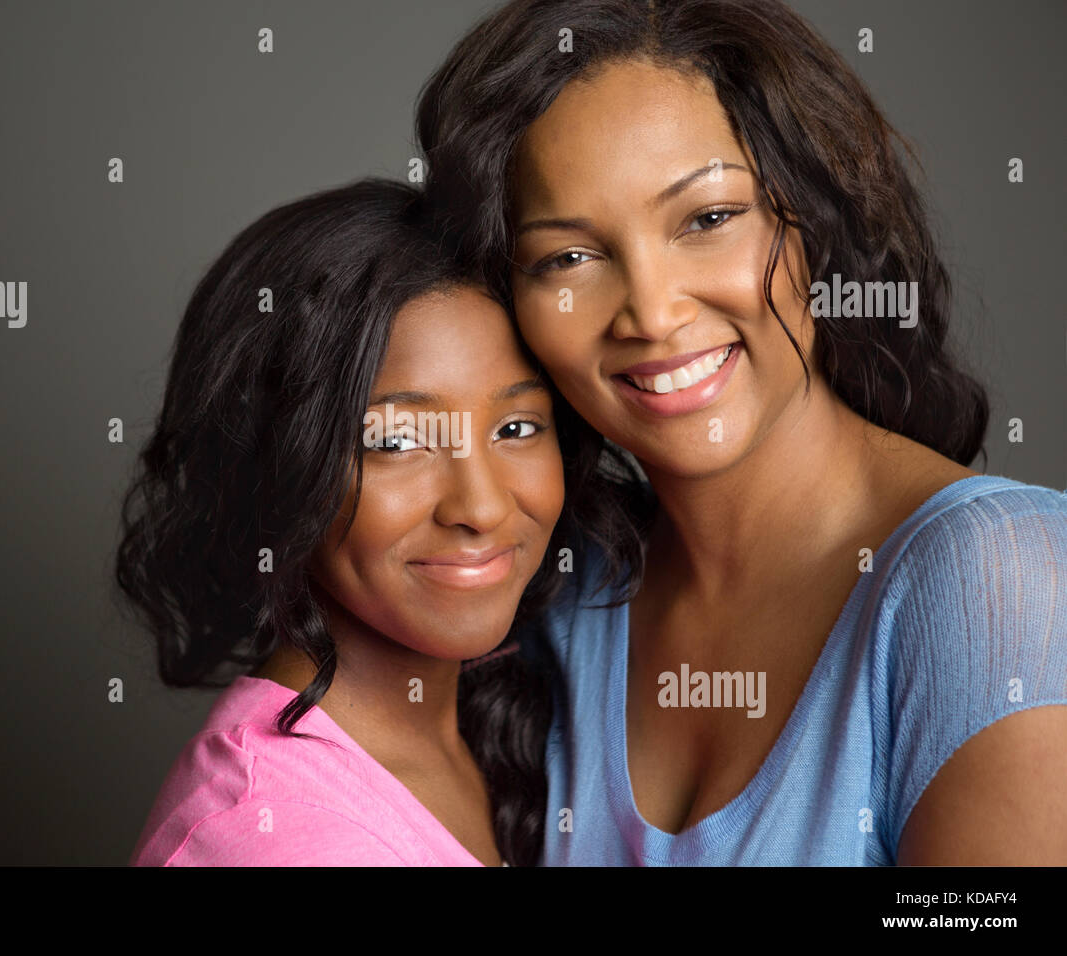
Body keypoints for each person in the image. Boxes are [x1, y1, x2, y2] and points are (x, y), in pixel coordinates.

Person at [415, 0, 1067, 864]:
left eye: (709, 219)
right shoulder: (561, 592)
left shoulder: (998, 578)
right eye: (568, 258)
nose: (652, 312)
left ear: (814, 222)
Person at [116, 178, 641, 865]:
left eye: (516, 426)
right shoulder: (270, 837)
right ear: (278, 467)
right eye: (397, 442)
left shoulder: (517, 721)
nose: (480, 507)